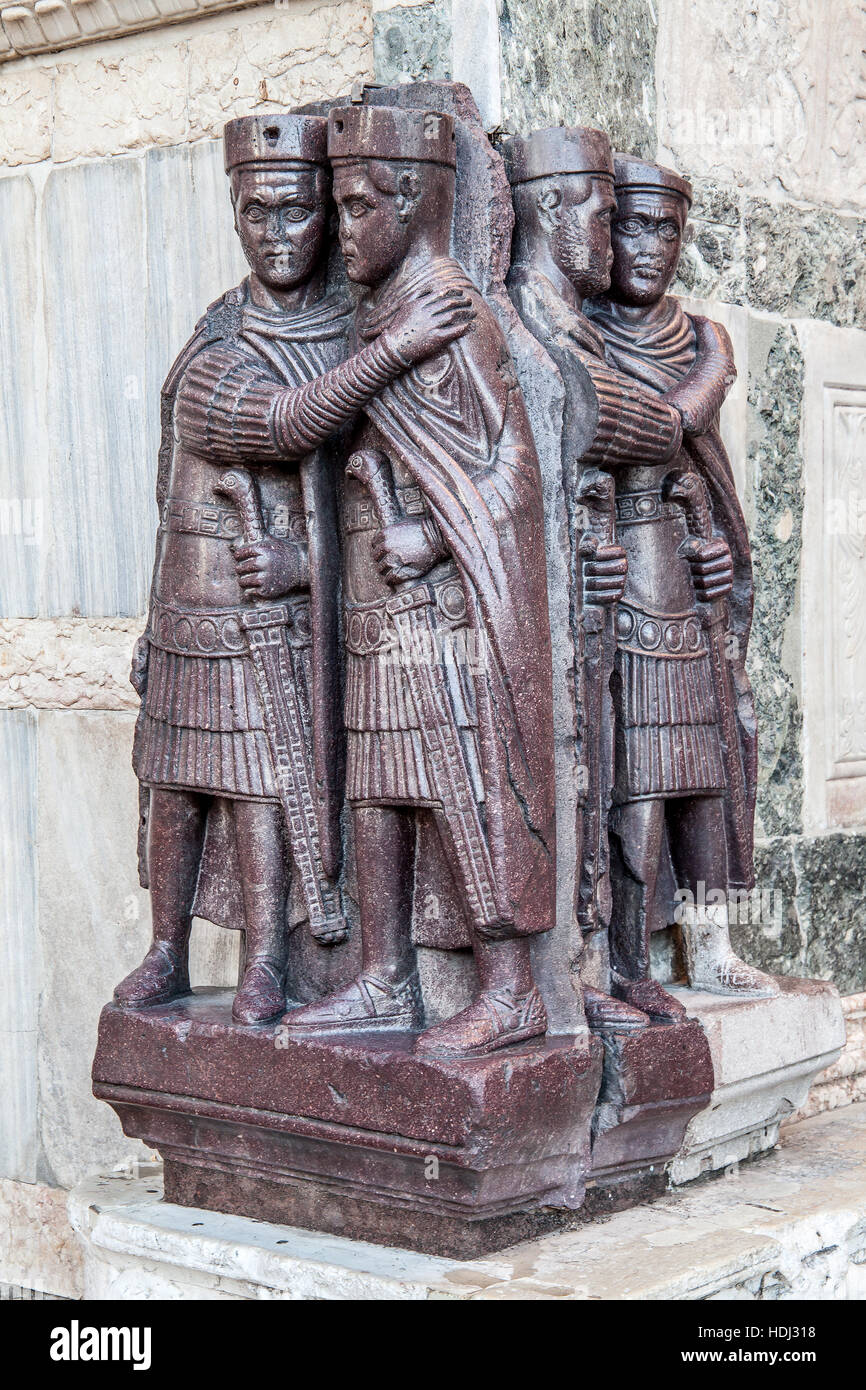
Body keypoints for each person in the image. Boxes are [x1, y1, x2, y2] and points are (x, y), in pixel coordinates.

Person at [116, 111, 472, 1024]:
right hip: (197, 591)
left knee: (260, 782)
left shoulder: (354, 323)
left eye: (299, 212)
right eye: (258, 213)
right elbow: (278, 425)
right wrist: (397, 348)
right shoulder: (221, 343)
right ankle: (165, 947)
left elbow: (373, 490)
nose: (278, 234)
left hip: (291, 613)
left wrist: (308, 563)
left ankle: (268, 960)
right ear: (234, 214)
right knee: (179, 783)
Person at [284, 102, 557, 1055]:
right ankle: (383, 976)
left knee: (464, 784)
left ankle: (512, 988)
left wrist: (436, 545)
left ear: (414, 200)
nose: (341, 230)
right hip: (375, 604)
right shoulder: (386, 315)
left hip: (440, 609)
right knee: (380, 788)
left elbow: (510, 472)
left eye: (357, 207)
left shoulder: (452, 312)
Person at [586, 155, 777, 998]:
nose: (649, 245)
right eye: (631, 223)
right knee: (635, 781)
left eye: (666, 228)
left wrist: (720, 553)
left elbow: (698, 461)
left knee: (709, 770)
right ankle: (626, 954)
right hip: (621, 586)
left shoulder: (698, 333)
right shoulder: (579, 334)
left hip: (688, 590)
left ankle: (711, 941)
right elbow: (638, 436)